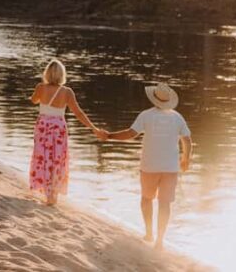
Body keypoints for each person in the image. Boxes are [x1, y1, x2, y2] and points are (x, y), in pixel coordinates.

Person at [96, 82, 192, 250]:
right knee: (165, 203)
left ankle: (149, 232)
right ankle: (160, 241)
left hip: (150, 166)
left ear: (154, 98)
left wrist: (109, 136)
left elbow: (130, 134)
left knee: (146, 199)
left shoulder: (146, 115)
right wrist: (186, 159)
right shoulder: (177, 117)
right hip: (170, 168)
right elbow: (187, 140)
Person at [29, 59, 101, 205]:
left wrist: (40, 96)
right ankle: (53, 195)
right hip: (59, 128)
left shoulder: (40, 87)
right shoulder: (67, 92)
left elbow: (33, 100)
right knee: (57, 159)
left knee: (43, 157)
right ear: (62, 75)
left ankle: (46, 191)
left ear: (47, 74)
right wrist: (94, 128)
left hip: (43, 126)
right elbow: (79, 113)